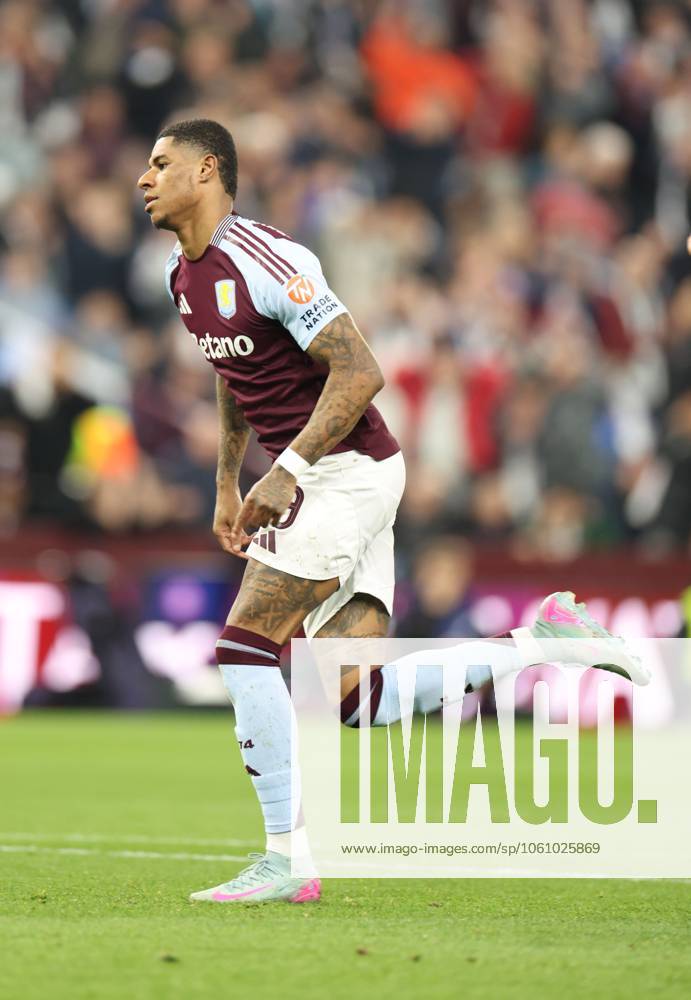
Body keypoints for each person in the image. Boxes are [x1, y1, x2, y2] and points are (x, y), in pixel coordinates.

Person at [138, 119, 649, 906]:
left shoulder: (267, 258)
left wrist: (291, 469)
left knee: (243, 649)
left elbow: (361, 371)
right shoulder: (182, 276)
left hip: (346, 473)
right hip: (326, 477)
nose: (145, 178)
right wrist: (226, 482)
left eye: (161, 164)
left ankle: (285, 858)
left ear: (207, 172)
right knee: (358, 702)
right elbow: (230, 372)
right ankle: (540, 640)